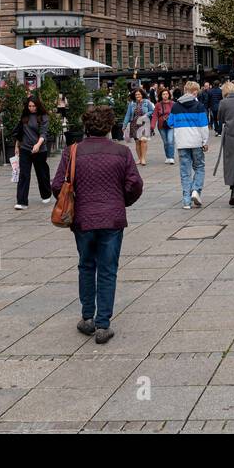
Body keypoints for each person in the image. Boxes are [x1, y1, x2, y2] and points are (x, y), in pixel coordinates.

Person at [51, 104, 143, 344]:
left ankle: (87, 318)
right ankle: (103, 324)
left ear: (86, 126)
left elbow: (57, 185)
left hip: (82, 218)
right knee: (108, 269)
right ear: (109, 125)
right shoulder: (122, 152)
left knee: (86, 265)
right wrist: (121, 201)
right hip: (112, 218)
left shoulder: (72, 151)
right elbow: (135, 184)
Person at [169, 81, 210, 209]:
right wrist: (205, 141)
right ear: (195, 92)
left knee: (185, 171)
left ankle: (186, 200)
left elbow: (170, 123)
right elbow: (204, 126)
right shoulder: (199, 106)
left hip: (182, 142)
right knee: (199, 167)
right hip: (196, 141)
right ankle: (196, 190)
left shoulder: (175, 106)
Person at [13, 94, 53, 211]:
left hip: (39, 150)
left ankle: (46, 194)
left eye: (34, 106)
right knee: (24, 175)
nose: (31, 108)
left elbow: (43, 133)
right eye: (29, 106)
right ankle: (22, 201)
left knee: (42, 173)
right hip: (25, 149)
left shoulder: (43, 116)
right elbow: (20, 132)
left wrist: (38, 145)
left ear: (38, 106)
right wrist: (17, 146)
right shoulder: (25, 116)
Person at [122, 88, 154, 167]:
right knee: (137, 142)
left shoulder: (147, 102)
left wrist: (146, 115)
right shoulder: (131, 103)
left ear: (142, 94)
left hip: (144, 123)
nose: (137, 96)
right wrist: (124, 125)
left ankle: (143, 158)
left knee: (143, 140)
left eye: (139, 94)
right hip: (134, 124)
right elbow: (128, 115)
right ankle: (139, 158)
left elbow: (152, 110)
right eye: (136, 94)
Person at [151, 88, 175, 164]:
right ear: (161, 96)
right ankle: (168, 157)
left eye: (166, 94)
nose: (165, 95)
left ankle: (171, 157)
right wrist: (152, 126)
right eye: (163, 94)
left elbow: (176, 114)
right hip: (161, 126)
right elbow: (155, 116)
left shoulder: (173, 104)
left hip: (171, 125)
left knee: (170, 140)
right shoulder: (158, 105)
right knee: (165, 142)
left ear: (169, 95)